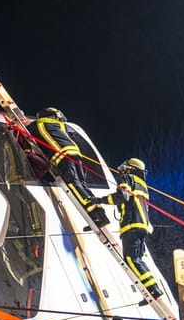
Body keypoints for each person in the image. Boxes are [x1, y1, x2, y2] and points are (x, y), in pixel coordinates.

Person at [93, 158, 164, 299]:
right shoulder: (142, 184)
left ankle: (152, 290)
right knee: (137, 259)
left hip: (131, 224)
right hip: (142, 226)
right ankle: (153, 288)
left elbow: (122, 196)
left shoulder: (127, 178)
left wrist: (100, 200)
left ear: (130, 169)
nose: (122, 170)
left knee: (131, 259)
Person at [30, 107, 109, 226]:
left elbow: (26, 127)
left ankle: (95, 215)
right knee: (82, 184)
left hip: (63, 156)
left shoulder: (39, 124)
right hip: (75, 154)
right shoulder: (59, 126)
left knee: (74, 184)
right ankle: (100, 213)